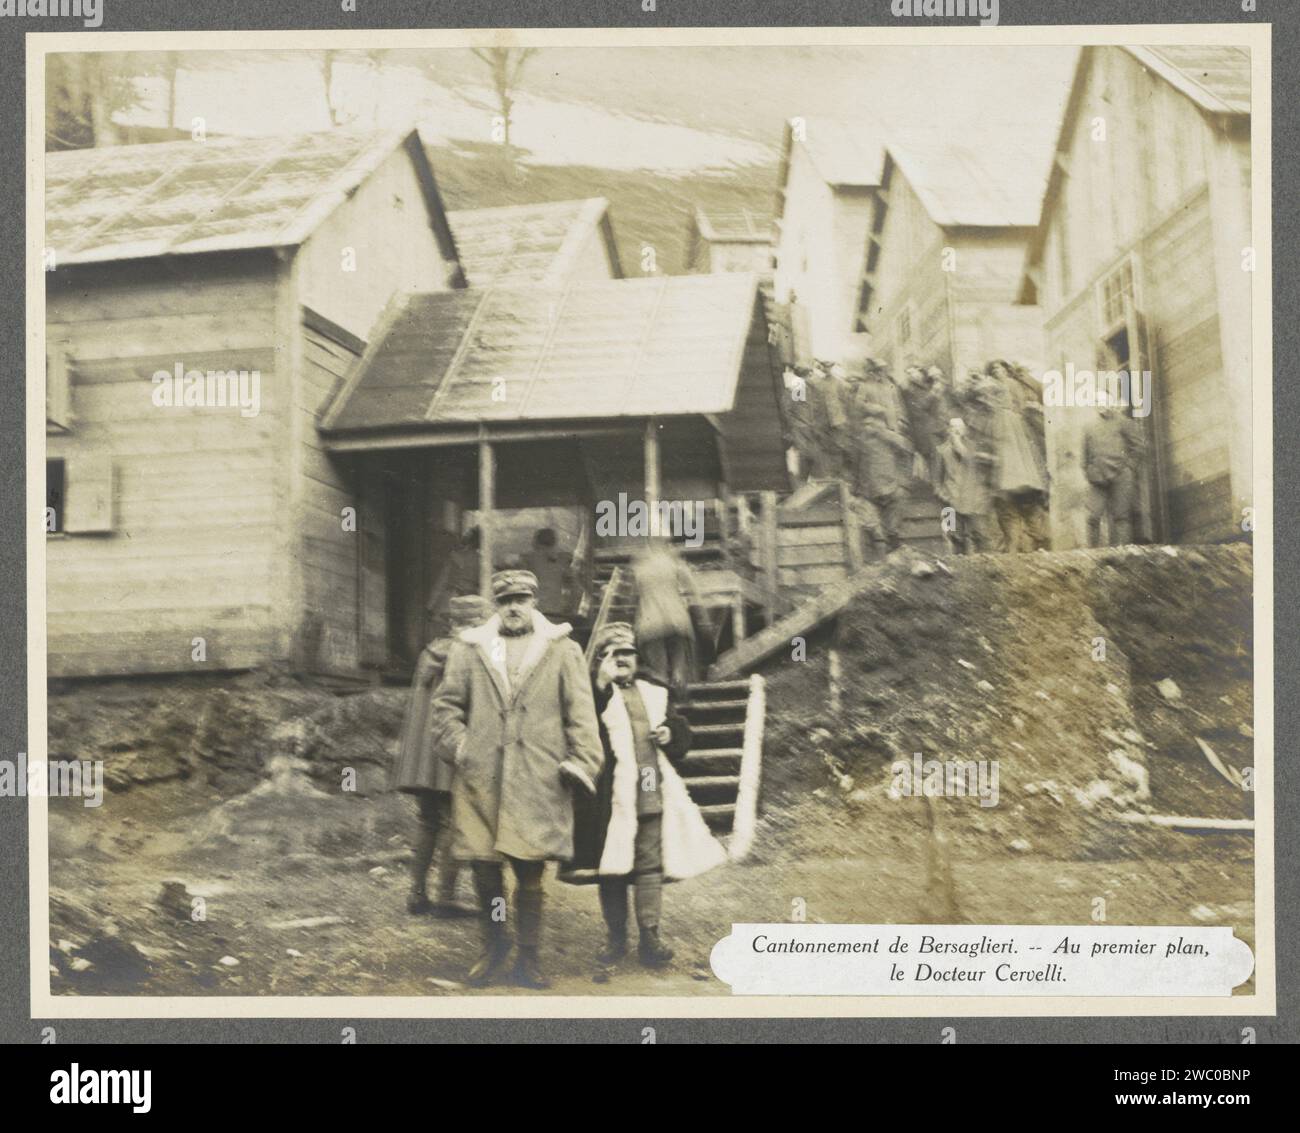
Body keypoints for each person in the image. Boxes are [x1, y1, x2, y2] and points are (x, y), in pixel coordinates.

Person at [429, 569, 605, 989]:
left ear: (534, 602)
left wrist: (582, 762)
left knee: (529, 871)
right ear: (496, 605)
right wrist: (464, 748)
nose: (513, 607)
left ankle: (528, 958)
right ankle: (494, 946)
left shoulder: (562, 651)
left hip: (539, 778)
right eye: (505, 600)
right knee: (485, 871)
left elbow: (581, 715)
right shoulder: (470, 650)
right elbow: (445, 711)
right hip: (481, 779)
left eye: (521, 599)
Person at [566, 622, 727, 980]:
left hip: (651, 790)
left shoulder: (655, 691)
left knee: (649, 866)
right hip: (609, 797)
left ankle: (650, 937)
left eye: (628, 654)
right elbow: (579, 730)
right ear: (601, 659)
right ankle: (615, 937)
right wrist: (599, 686)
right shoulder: (590, 696)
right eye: (613, 654)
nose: (622, 661)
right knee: (612, 867)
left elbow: (681, 730)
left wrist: (671, 733)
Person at [391, 594, 493, 916]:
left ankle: (417, 894)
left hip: (424, 756)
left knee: (428, 820)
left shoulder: (430, 651)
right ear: (474, 624)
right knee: (457, 821)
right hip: (449, 749)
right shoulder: (469, 654)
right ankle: (446, 897)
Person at [848, 359, 914, 553]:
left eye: (881, 370)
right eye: (876, 371)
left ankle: (889, 537)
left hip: (889, 474)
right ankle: (881, 540)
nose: (879, 374)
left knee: (894, 502)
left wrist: (899, 423)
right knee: (873, 512)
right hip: (873, 486)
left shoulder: (891, 388)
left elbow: (899, 409)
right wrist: (875, 412)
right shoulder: (865, 387)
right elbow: (859, 406)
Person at [986, 360, 1050, 552]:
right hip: (999, 422)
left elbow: (1020, 404)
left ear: (1006, 370)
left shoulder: (1012, 385)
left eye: (1000, 368)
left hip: (1012, 420)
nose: (998, 371)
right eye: (994, 369)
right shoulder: (992, 388)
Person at [630, 539, 703, 692]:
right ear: (666, 545)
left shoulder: (640, 566)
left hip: (650, 625)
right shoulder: (675, 563)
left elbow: (632, 597)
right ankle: (682, 706)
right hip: (677, 621)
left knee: (659, 675)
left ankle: (664, 709)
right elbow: (693, 590)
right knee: (679, 671)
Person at [1083, 391, 1146, 546]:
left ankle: (1122, 554)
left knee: (1121, 516)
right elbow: (1085, 455)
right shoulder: (1089, 427)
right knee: (1093, 517)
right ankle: (1092, 555)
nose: (1101, 405)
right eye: (1097, 402)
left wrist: (1128, 467)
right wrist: (1090, 470)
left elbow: (1139, 447)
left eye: (1104, 401)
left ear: (1110, 402)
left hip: (1121, 475)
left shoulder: (1123, 422)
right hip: (1098, 478)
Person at [934, 417, 996, 554]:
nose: (956, 431)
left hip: (972, 500)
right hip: (949, 501)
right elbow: (937, 480)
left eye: (960, 428)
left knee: (981, 535)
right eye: (953, 427)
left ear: (965, 430)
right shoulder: (941, 451)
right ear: (948, 430)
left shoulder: (973, 448)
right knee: (954, 536)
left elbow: (979, 469)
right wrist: (943, 495)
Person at [805, 360, 850, 480]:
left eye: (829, 367)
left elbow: (844, 401)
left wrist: (843, 418)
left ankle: (838, 473)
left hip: (837, 420)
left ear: (832, 368)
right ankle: (829, 474)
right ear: (822, 369)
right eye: (825, 367)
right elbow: (815, 402)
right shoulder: (819, 383)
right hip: (823, 420)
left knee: (838, 446)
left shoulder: (839, 383)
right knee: (825, 447)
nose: (827, 369)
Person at [522, 527, 575, 622]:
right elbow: (573, 583)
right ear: (554, 543)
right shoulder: (563, 559)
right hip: (557, 612)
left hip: (536, 611)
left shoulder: (528, 559)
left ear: (535, 543)